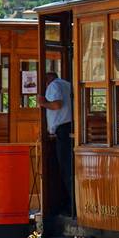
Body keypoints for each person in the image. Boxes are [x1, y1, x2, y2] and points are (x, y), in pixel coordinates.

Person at [39, 70, 74, 214]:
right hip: (69, 128)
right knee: (69, 169)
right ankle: (72, 204)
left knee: (66, 169)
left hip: (62, 131)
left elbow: (57, 105)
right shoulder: (67, 84)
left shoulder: (53, 86)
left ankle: (71, 207)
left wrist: (43, 102)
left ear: (47, 80)